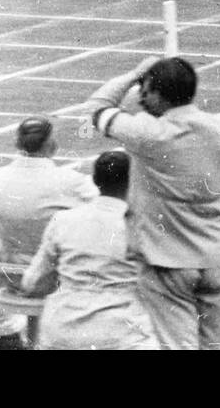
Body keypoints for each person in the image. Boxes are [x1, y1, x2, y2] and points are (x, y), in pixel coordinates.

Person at [86, 57, 220, 351]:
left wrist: (134, 74)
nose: (142, 97)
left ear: (158, 94)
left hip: (167, 260)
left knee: (176, 344)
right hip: (215, 253)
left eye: (146, 90)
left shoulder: (148, 134)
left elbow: (97, 107)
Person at [19, 150, 157, 350]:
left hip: (62, 331)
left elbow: (32, 283)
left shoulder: (64, 220)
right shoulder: (145, 226)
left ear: (94, 180)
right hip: (123, 335)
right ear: (133, 182)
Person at [0, 117, 97, 266]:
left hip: (10, 268)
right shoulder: (73, 181)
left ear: (17, 143)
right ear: (51, 144)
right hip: (54, 271)